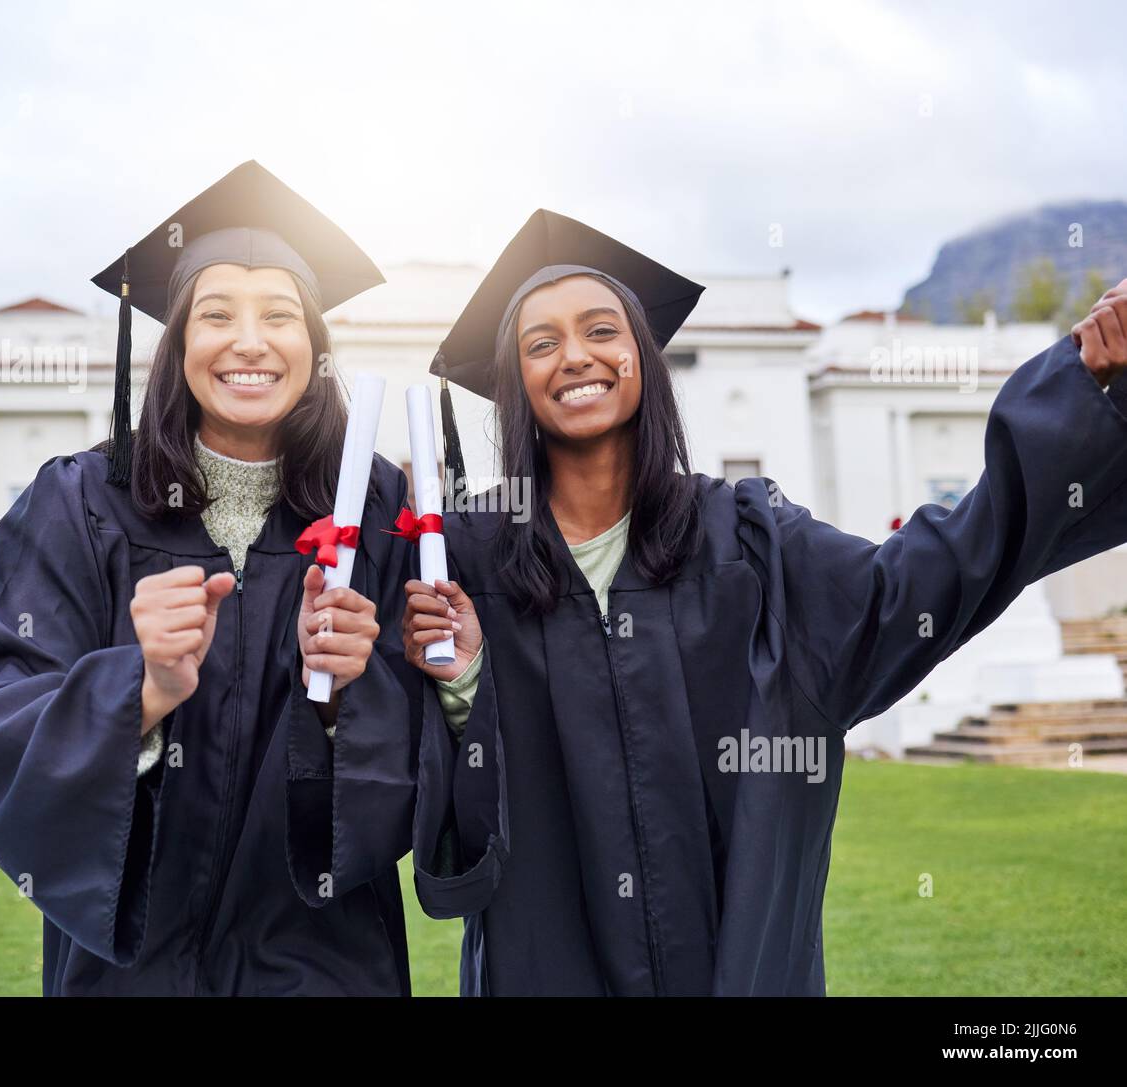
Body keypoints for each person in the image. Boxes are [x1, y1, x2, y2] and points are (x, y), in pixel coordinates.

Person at [401, 209, 1127, 995]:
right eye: (540, 343)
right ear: (516, 382)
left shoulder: (747, 543)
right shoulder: (469, 567)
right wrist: (465, 685)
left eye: (601, 330)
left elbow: (921, 582)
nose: (576, 355)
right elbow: (427, 820)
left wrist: (1074, 394)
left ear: (642, 357)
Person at [0, 161, 420, 996]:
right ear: (177, 343)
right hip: (133, 968)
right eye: (216, 314)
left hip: (323, 963)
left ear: (315, 346)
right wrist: (139, 689)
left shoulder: (376, 507)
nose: (250, 342)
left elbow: (436, 741)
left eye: (280, 316)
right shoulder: (80, 502)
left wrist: (346, 694)